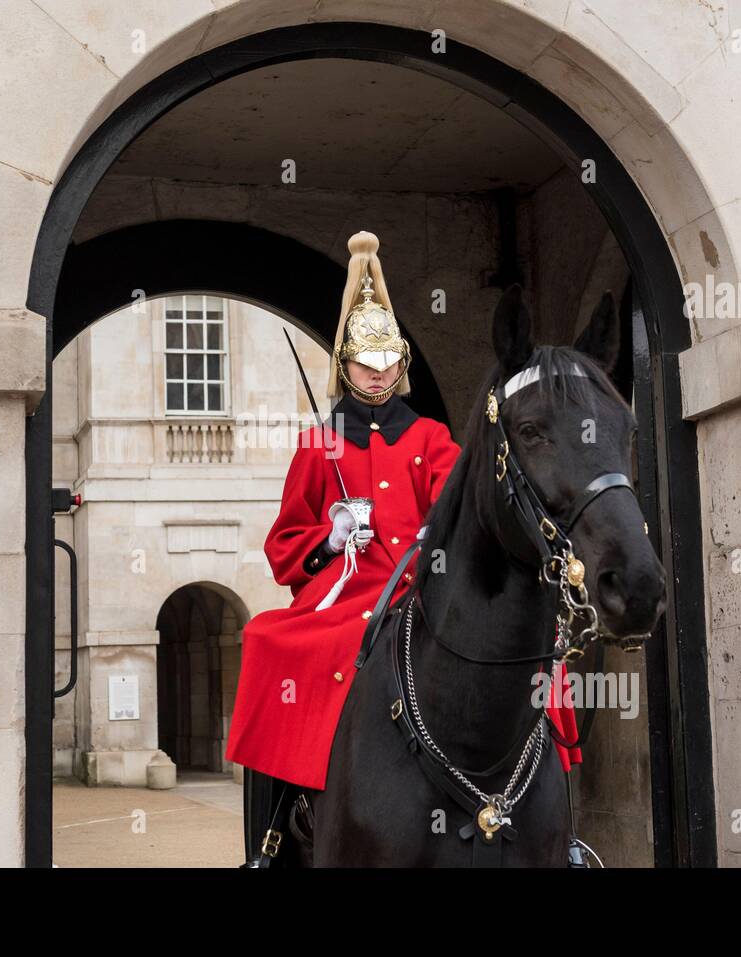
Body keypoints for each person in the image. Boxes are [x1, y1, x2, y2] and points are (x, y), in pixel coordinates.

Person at [226, 230, 580, 867]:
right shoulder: (318, 448)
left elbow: (462, 508)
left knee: (533, 658)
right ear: (346, 364)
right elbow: (284, 547)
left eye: (389, 360)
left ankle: (558, 830)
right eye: (367, 362)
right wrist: (331, 536)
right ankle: (281, 823)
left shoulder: (430, 437)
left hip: (424, 588)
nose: (380, 372)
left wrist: (430, 537)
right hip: (350, 595)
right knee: (268, 643)